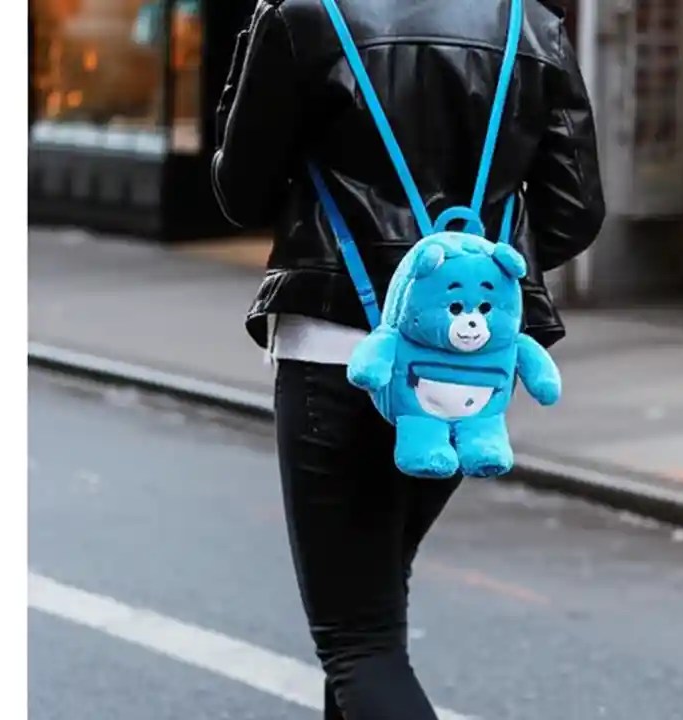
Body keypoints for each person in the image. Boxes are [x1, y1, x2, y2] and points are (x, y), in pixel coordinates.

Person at [212, 0, 603, 717]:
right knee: (372, 613)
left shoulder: (304, 16)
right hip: (467, 374)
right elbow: (574, 211)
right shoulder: (530, 25)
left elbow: (240, 193)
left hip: (336, 351)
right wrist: (477, 274)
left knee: (359, 642)